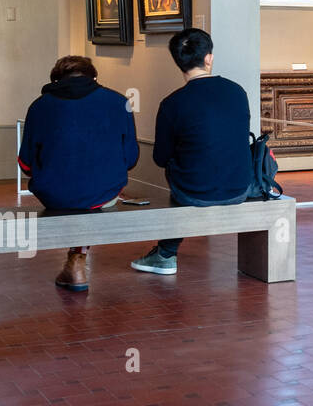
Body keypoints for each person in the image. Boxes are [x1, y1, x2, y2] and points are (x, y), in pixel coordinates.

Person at [131, 28, 259, 276]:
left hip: (193, 192)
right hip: (239, 187)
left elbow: (160, 158)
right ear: (209, 58)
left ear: (178, 62)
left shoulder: (172, 103)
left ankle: (166, 254)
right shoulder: (237, 92)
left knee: (180, 168)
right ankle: (165, 253)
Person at [18, 55, 139, 292]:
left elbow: (26, 163)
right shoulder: (118, 101)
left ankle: (75, 263)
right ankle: (77, 260)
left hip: (54, 194)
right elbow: (131, 159)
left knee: (76, 191)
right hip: (103, 192)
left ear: (55, 79)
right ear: (94, 77)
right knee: (92, 194)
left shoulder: (39, 106)